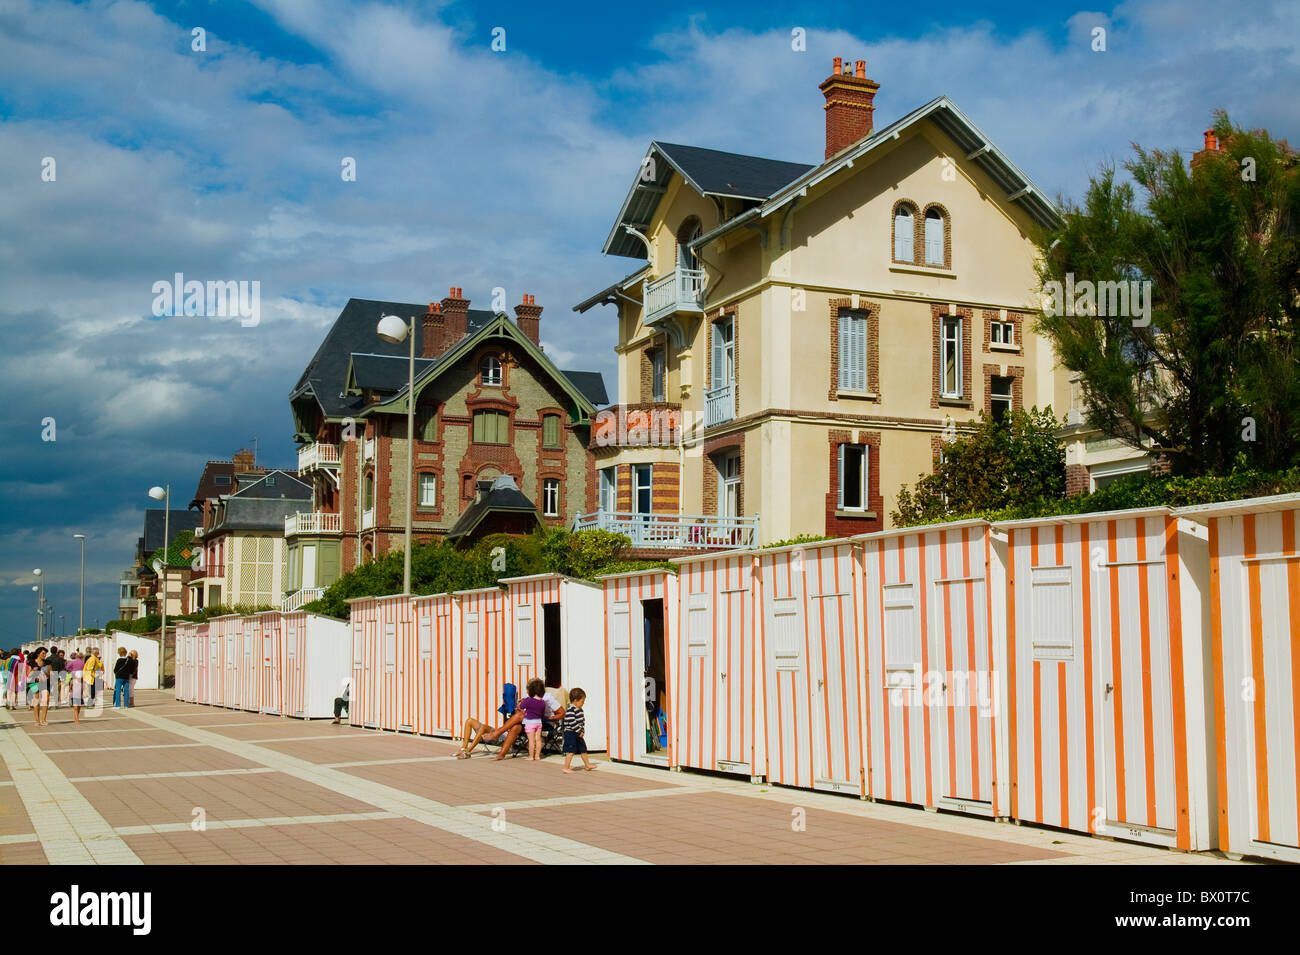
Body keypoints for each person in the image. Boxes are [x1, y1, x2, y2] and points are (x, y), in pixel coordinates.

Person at [561, 687, 596, 773]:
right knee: (570, 750)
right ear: (575, 701)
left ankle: (587, 765)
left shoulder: (580, 710)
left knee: (583, 749)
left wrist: (582, 731)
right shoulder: (571, 710)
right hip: (570, 733)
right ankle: (566, 767)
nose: (583, 703)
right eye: (582, 701)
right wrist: (579, 731)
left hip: (578, 733)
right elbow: (572, 722)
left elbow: (582, 721)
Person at [519, 681, 548, 761]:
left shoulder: (528, 700)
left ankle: (531, 756)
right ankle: (537, 756)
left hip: (529, 722)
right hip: (539, 722)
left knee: (531, 741)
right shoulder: (542, 702)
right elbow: (542, 713)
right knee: (538, 739)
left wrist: (521, 701)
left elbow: (521, 706)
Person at [28, 647, 51, 726]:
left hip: (45, 682)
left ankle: (44, 719)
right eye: (43, 653)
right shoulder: (31, 662)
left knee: (46, 699)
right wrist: (34, 671)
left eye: (45, 653)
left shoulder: (47, 662)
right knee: (36, 701)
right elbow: (28, 674)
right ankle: (37, 721)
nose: (45, 655)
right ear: (38, 654)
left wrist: (46, 673)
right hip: (34, 683)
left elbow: (50, 674)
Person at [66, 652, 85, 725]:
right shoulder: (83, 663)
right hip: (81, 682)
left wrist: (72, 671)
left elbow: (67, 667)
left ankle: (76, 717)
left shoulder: (72, 662)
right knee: (79, 700)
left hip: (74, 681)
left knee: (75, 700)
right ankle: (77, 717)